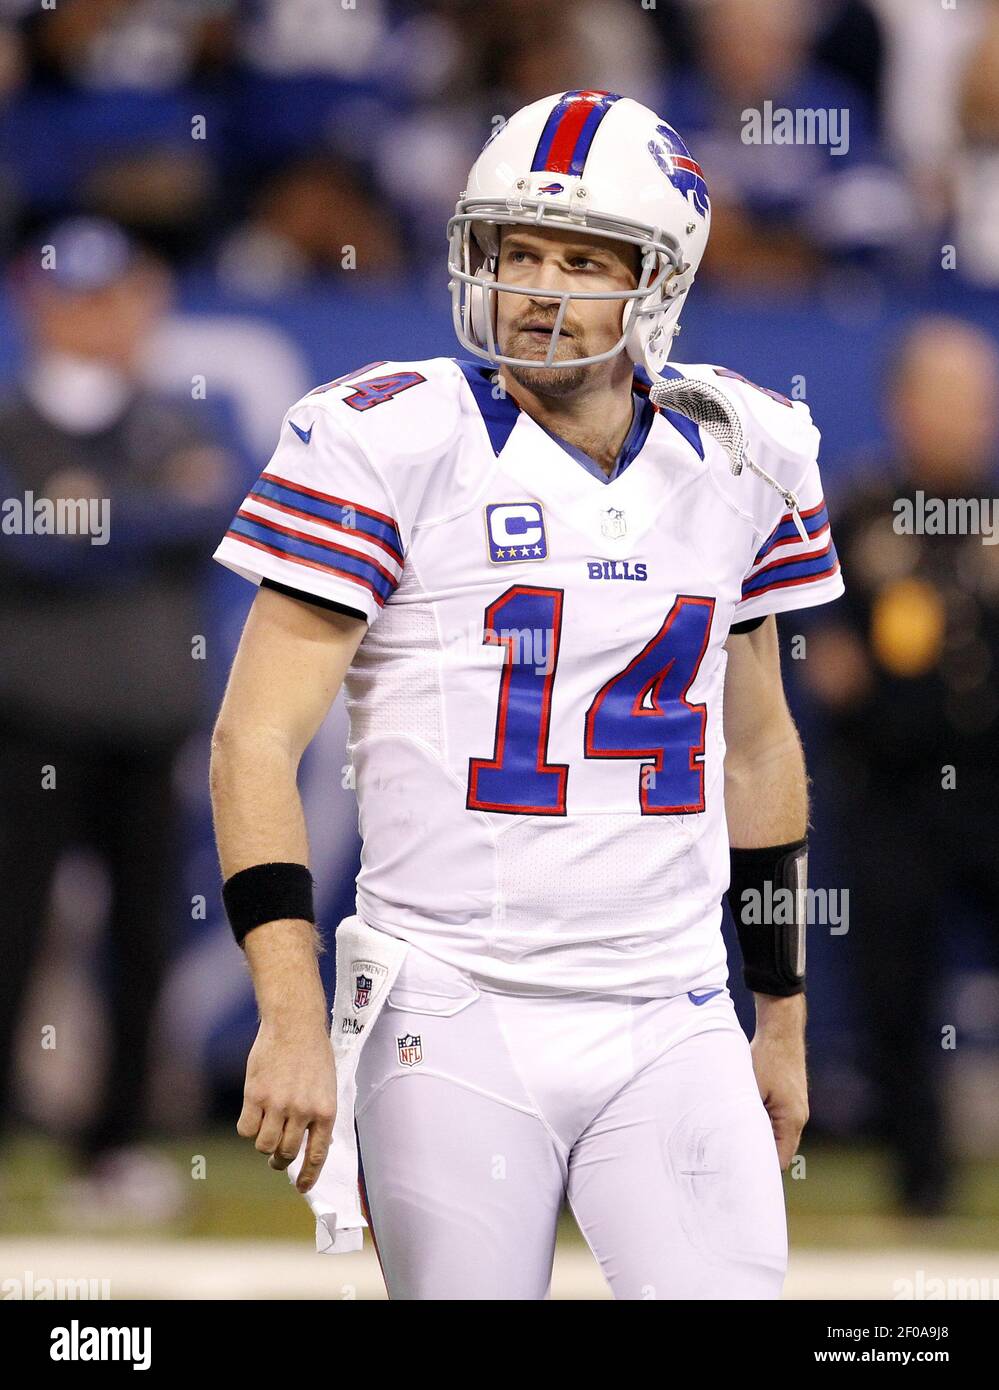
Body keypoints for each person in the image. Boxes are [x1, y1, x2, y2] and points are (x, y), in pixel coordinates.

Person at [210, 90, 844, 1299]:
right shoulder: (388, 439)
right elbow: (252, 739)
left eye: (583, 259)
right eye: (517, 251)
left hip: (673, 1003)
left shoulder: (749, 452)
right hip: (451, 1004)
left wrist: (782, 1022)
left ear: (658, 281)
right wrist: (289, 1009)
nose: (540, 288)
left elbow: (758, 751)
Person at [0, 216, 232, 1220]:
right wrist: (135, 516)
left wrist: (91, 514)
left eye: (122, 293)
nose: (109, 316)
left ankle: (118, 1145)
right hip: (30, 723)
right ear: (40, 300)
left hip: (149, 725)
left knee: (143, 944)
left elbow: (215, 511)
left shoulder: (175, 418)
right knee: (8, 934)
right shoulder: (15, 420)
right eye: (85, 296)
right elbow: (27, 545)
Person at [801, 316, 999, 1214]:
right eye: (950, 399)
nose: (969, 420)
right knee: (896, 988)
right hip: (892, 797)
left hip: (993, 790)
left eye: (980, 401)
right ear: (904, 407)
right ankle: (921, 1182)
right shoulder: (857, 514)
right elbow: (829, 666)